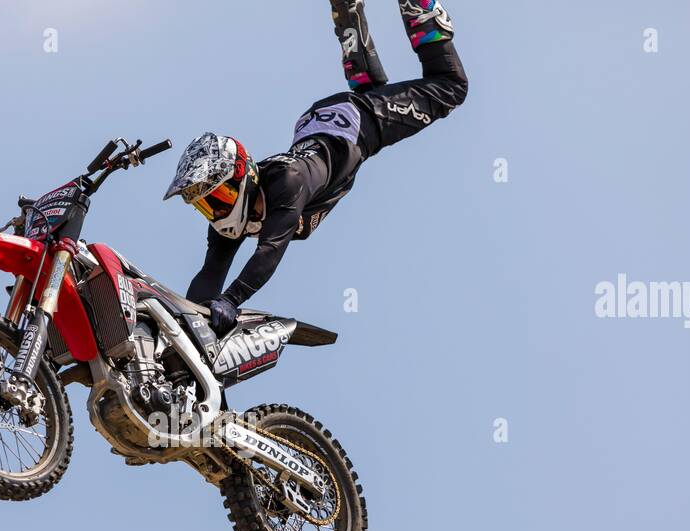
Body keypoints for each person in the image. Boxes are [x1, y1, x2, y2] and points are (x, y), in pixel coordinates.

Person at [163, 0, 468, 336]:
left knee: (450, 86)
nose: (215, 209)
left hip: (360, 124)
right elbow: (209, 275)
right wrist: (184, 325)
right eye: (205, 203)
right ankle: (348, 15)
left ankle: (419, 7)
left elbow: (270, 250)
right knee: (372, 92)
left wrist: (231, 300)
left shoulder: (285, 183)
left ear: (242, 177)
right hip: (322, 122)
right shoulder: (227, 220)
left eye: (217, 194)